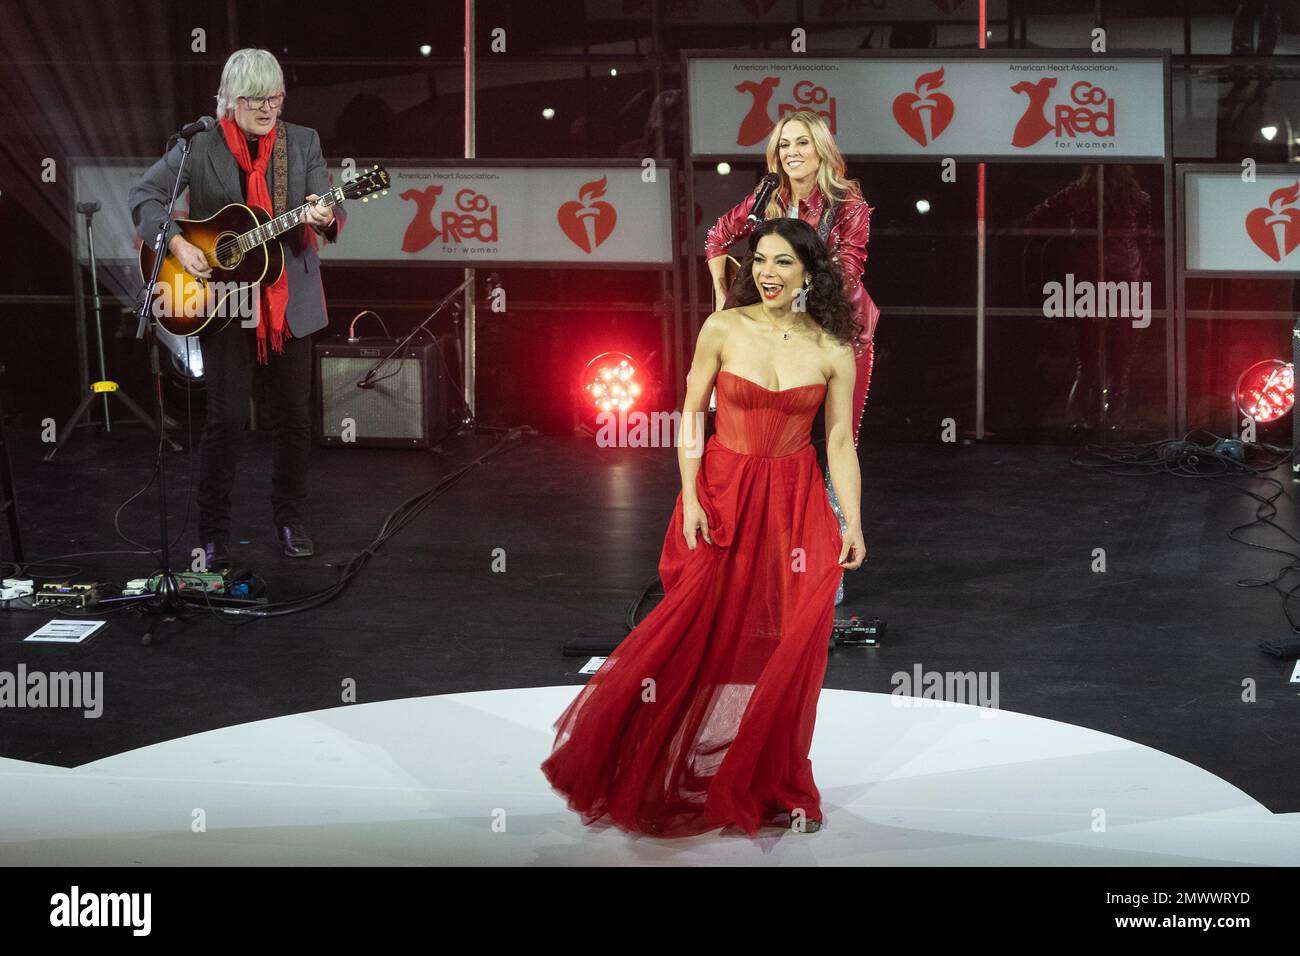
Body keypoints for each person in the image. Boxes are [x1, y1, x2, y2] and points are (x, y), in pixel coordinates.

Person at [541, 218, 865, 837]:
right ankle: (637, 765)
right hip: (719, 489)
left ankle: (780, 780)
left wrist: (851, 521)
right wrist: (689, 494)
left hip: (794, 500)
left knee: (789, 645)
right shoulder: (723, 327)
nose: (766, 274)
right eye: (760, 260)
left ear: (808, 274)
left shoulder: (831, 347)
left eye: (782, 264)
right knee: (691, 629)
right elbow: (691, 416)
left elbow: (841, 443)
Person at [129, 48, 345, 570]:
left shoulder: (303, 141)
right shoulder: (198, 144)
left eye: (275, 97)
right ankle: (211, 533)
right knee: (224, 420)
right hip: (224, 302)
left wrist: (322, 215)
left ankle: (290, 519)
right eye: (255, 99)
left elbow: (327, 208)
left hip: (290, 301)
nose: (268, 108)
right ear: (229, 99)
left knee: (295, 417)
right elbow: (145, 196)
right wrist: (176, 243)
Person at [704, 108, 878, 605]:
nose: (792, 153)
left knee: (835, 446)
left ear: (820, 148)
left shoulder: (848, 203)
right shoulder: (768, 197)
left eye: (802, 142)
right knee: (768, 443)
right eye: (784, 145)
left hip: (837, 334)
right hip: (776, 329)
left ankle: (830, 565)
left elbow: (842, 276)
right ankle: (760, 556)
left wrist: (788, 317)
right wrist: (725, 296)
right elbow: (718, 236)